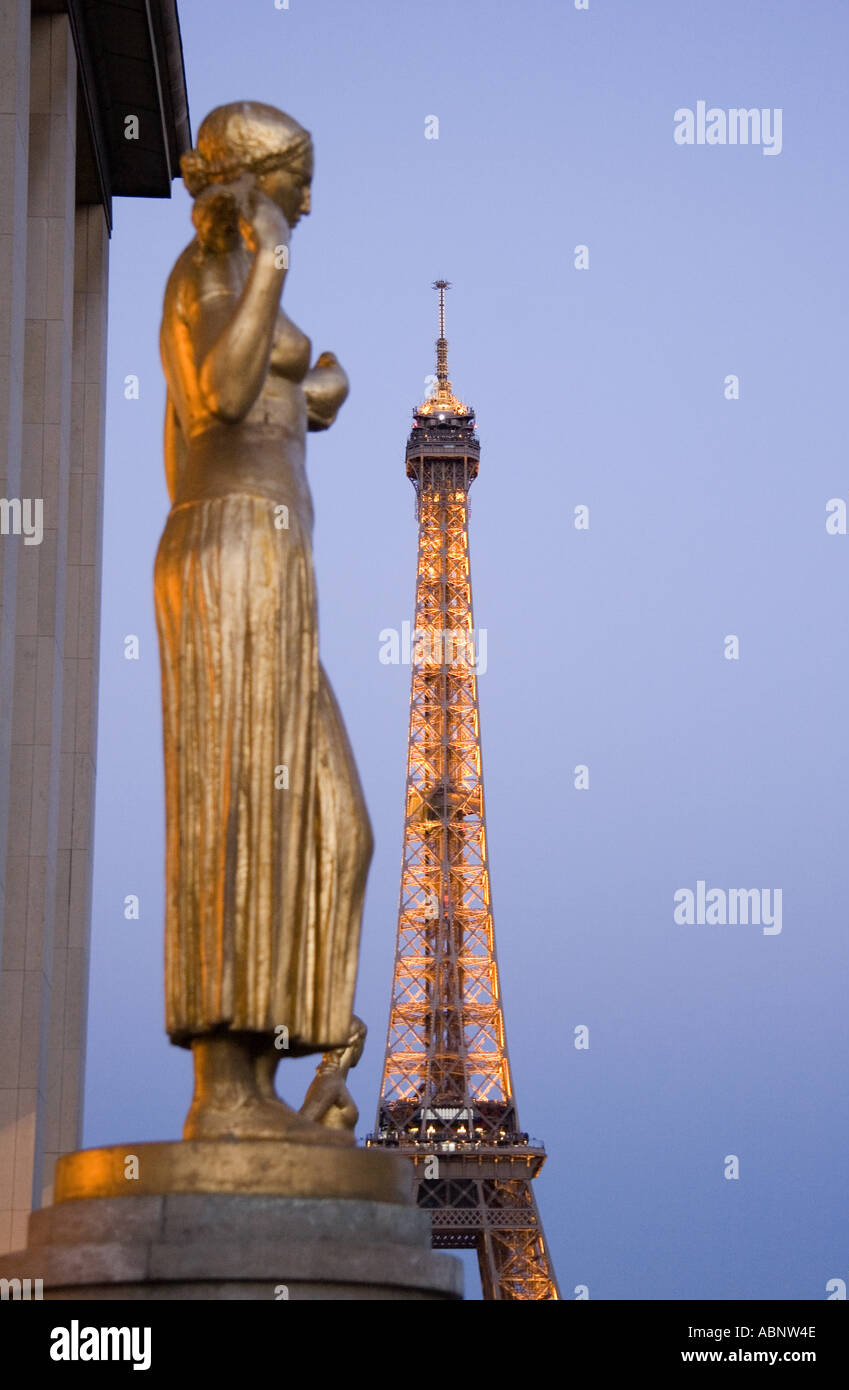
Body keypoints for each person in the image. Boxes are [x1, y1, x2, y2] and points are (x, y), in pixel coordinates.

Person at [154, 101, 372, 1140]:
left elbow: (290, 394)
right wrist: (273, 264)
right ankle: (225, 1096)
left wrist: (321, 381)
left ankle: (292, 1053)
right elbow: (221, 394)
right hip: (231, 550)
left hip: (280, 569)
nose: (310, 202)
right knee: (237, 804)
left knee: (342, 828)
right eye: (297, 183)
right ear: (252, 186)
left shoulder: (241, 285)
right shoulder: (204, 276)